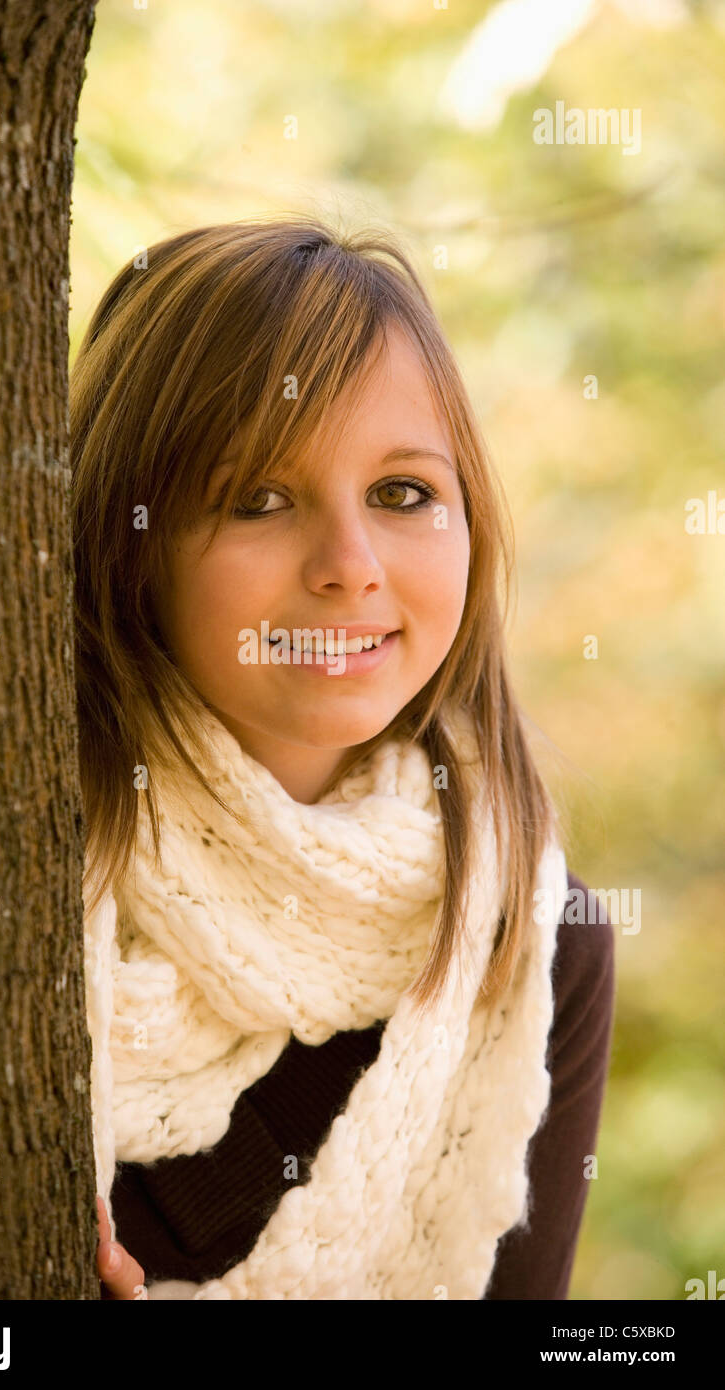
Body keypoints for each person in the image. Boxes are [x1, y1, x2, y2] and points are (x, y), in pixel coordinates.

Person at [70, 215, 615, 1301]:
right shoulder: (27, 869)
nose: (350, 566)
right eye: (258, 500)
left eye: (401, 493)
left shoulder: (532, 939)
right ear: (129, 539)